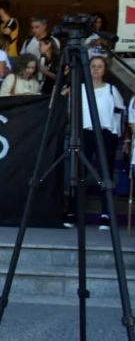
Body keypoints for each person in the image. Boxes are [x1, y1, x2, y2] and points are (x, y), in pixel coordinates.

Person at [64, 56, 123, 230]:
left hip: (106, 134)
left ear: (105, 70)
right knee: (79, 173)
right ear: (87, 69)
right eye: (93, 66)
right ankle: (73, 212)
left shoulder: (112, 90)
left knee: (105, 175)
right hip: (85, 133)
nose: (96, 69)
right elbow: (69, 111)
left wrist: (120, 136)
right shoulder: (79, 89)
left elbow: (120, 113)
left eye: (99, 66)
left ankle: (106, 214)